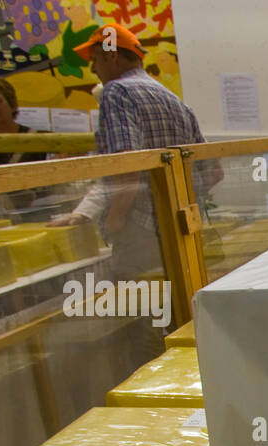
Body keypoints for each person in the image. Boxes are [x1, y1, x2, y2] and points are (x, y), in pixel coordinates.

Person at [51, 22, 210, 279]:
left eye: (95, 61)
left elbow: (127, 167)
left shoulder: (117, 92)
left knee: (139, 306)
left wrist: (115, 220)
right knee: (175, 302)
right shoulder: (174, 99)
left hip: (140, 232)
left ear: (111, 55)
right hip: (180, 226)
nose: (93, 69)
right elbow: (213, 172)